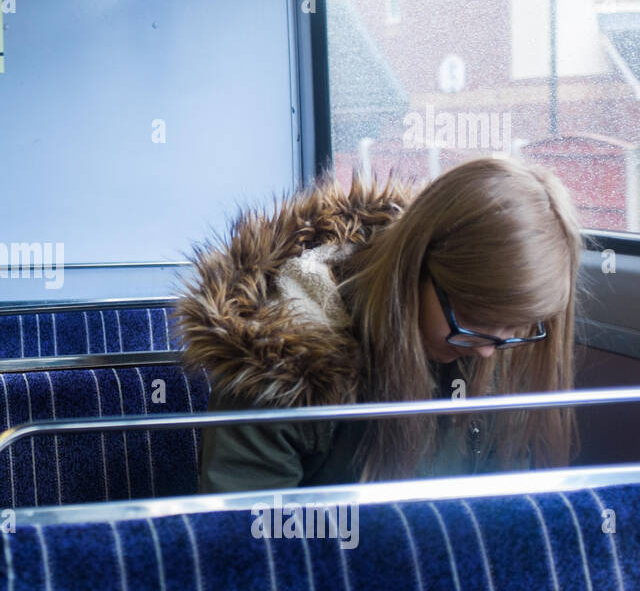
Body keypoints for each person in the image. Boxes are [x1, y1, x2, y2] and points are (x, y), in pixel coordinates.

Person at [174, 157, 581, 492]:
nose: (489, 350)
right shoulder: (277, 366)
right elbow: (249, 541)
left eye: (517, 328)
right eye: (475, 320)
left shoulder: (493, 344)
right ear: (415, 270)